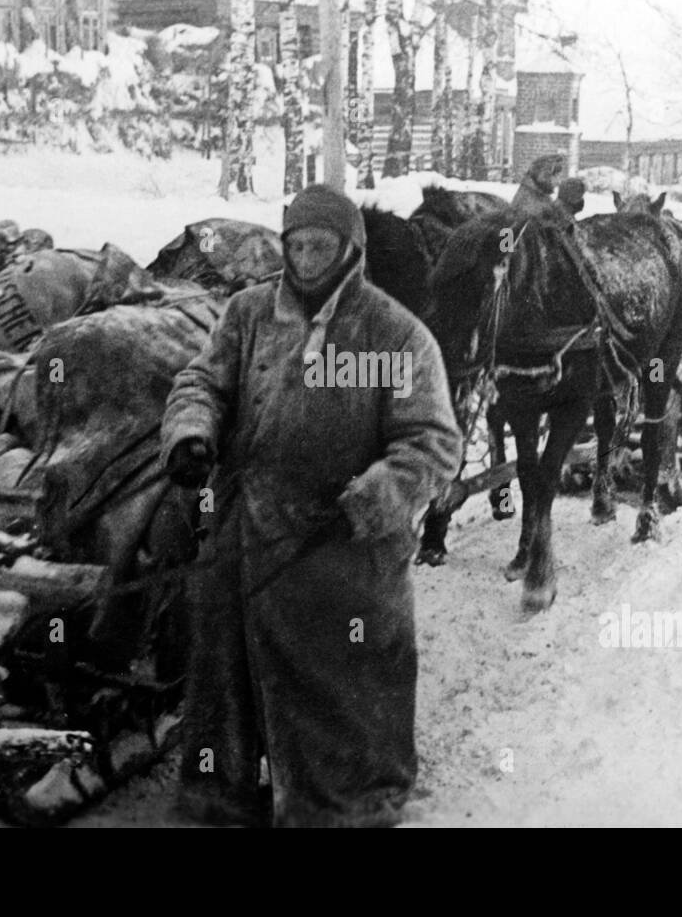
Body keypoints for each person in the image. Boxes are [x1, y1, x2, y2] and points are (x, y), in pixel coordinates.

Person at [161, 184, 462, 827]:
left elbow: (432, 442)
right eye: (295, 244)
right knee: (226, 681)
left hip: (341, 553)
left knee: (337, 692)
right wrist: (192, 429)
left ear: (350, 249)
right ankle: (223, 800)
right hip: (248, 532)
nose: (304, 257)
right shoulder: (247, 315)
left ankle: (343, 807)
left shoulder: (392, 334)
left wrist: (379, 495)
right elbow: (202, 380)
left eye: (320, 244)